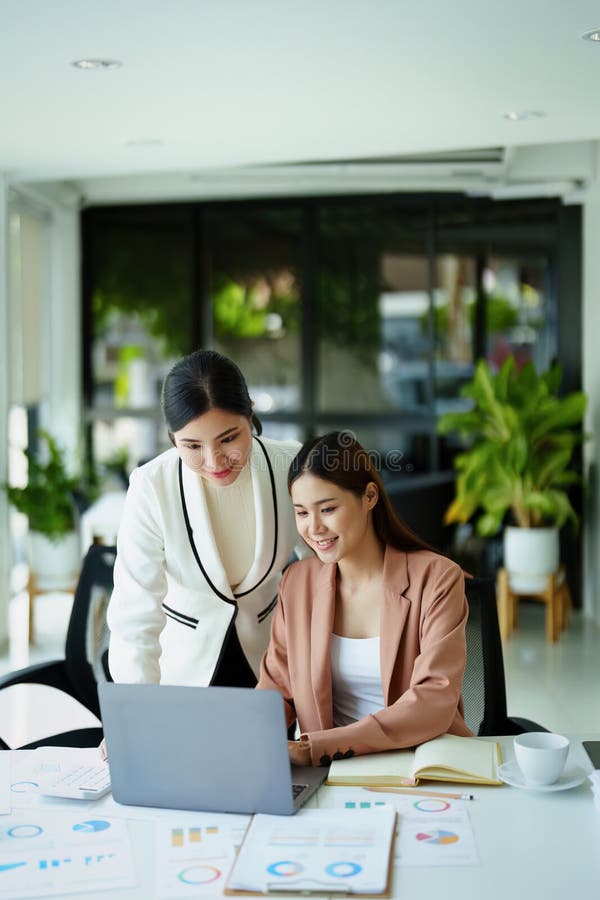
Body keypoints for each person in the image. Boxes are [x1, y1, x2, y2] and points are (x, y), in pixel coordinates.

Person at [257, 431, 473, 767]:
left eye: (327, 509)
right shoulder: (297, 583)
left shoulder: (437, 578)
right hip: (331, 774)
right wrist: (244, 738)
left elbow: (434, 700)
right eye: (301, 513)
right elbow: (276, 691)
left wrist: (321, 746)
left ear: (369, 497)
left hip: (419, 764)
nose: (314, 528)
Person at [106, 349, 308, 688]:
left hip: (272, 667)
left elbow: (331, 567)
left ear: (251, 415)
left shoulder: (291, 464)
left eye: (229, 438)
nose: (215, 461)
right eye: (192, 446)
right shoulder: (151, 487)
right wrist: (135, 713)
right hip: (183, 673)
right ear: (172, 438)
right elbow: (134, 617)